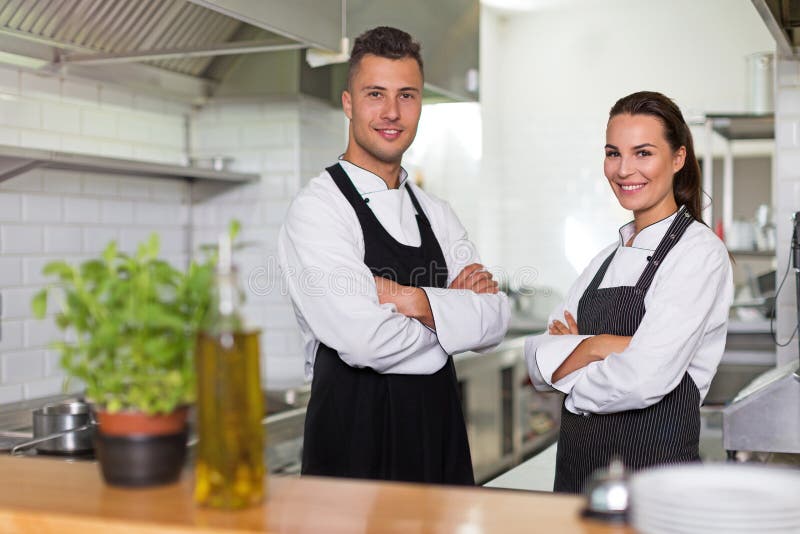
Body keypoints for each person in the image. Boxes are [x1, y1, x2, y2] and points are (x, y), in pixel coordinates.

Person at [278, 26, 509, 485]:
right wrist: (449, 318)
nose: (391, 112)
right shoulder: (318, 211)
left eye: (406, 95)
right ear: (348, 103)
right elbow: (367, 342)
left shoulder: (436, 211)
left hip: (438, 438)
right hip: (353, 448)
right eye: (375, 94)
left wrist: (413, 302)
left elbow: (494, 319)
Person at [524, 91, 733, 494]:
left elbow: (644, 378)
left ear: (678, 159)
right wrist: (606, 347)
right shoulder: (603, 258)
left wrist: (581, 352)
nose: (624, 170)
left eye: (643, 153)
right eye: (613, 153)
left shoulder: (698, 252)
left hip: (653, 482)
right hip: (576, 477)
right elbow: (536, 362)